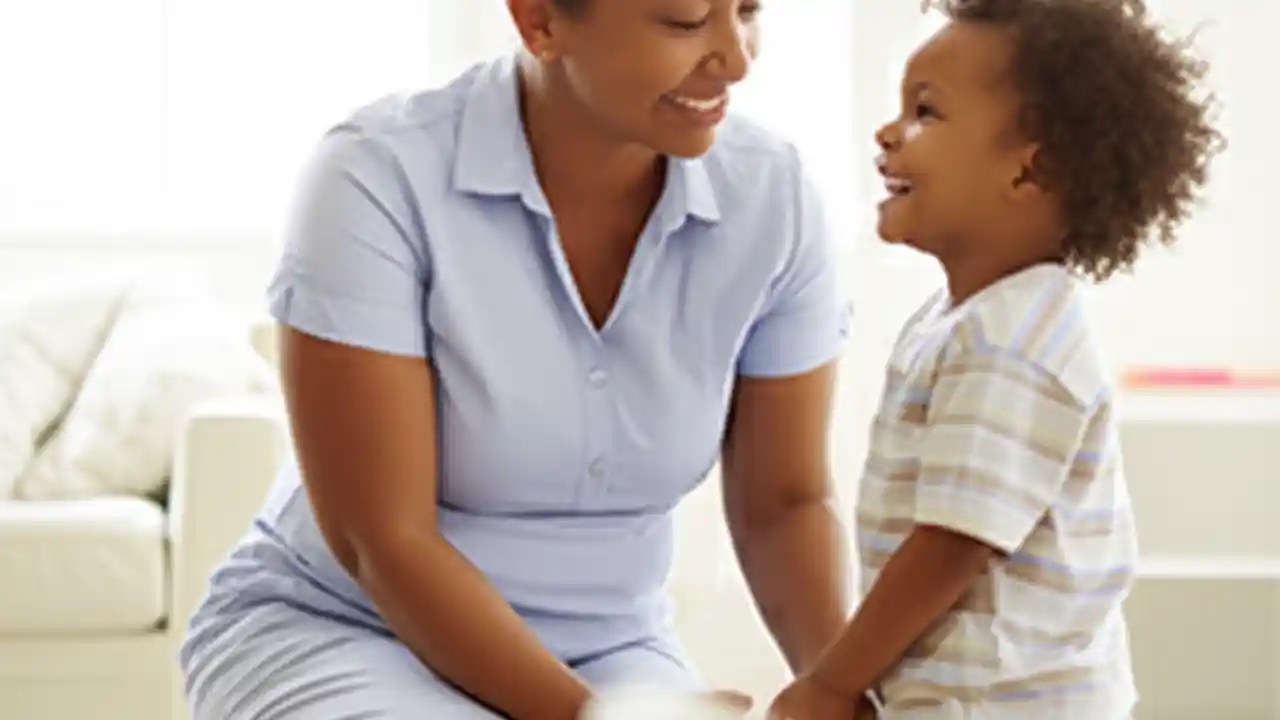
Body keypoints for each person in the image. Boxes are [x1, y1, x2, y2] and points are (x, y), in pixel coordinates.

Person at [180, 0, 856, 718]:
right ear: (540, 21)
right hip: (344, 628)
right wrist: (592, 716)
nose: (738, 58)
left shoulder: (773, 199)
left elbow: (784, 506)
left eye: (749, 9)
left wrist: (850, 688)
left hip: (610, 646)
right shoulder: (377, 176)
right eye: (685, 22)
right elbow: (384, 542)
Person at [767, 0, 1223, 718]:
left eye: (926, 112)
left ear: (1028, 172)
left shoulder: (1013, 337)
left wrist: (834, 678)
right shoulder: (971, 319)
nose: (889, 133)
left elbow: (954, 542)